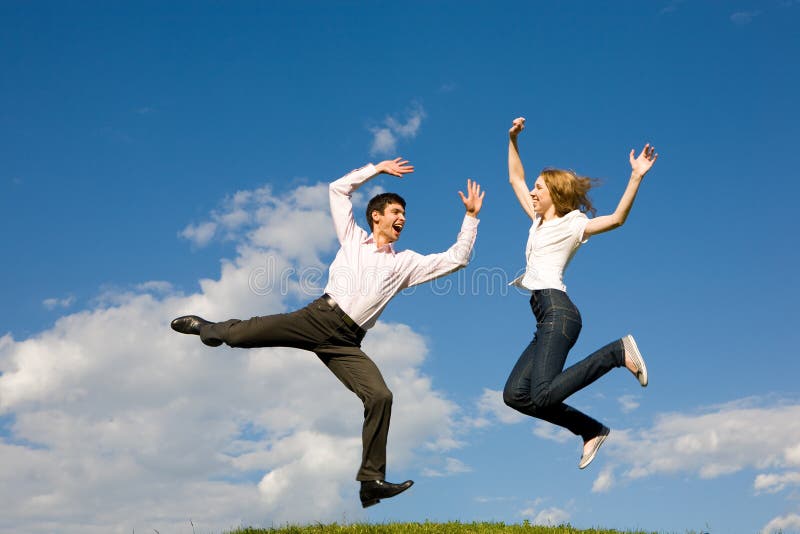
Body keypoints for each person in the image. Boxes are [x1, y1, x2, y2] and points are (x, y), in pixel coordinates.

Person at [171, 158, 484, 507]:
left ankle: (370, 482)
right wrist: (377, 169)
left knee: (380, 396)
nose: (403, 219)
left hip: (347, 343)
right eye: (396, 211)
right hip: (319, 317)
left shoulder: (405, 263)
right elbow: (337, 189)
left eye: (405, 215)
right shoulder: (352, 238)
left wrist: (470, 217)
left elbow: (457, 259)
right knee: (245, 335)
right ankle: (207, 328)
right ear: (376, 216)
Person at [502, 117, 657, 469]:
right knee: (516, 395)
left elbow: (617, 218)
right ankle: (590, 429)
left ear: (554, 193)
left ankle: (617, 352)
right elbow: (514, 178)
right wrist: (512, 139)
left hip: (559, 311)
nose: (532, 192)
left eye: (539, 188)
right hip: (545, 317)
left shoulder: (573, 225)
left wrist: (635, 177)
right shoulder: (537, 221)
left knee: (541, 395)